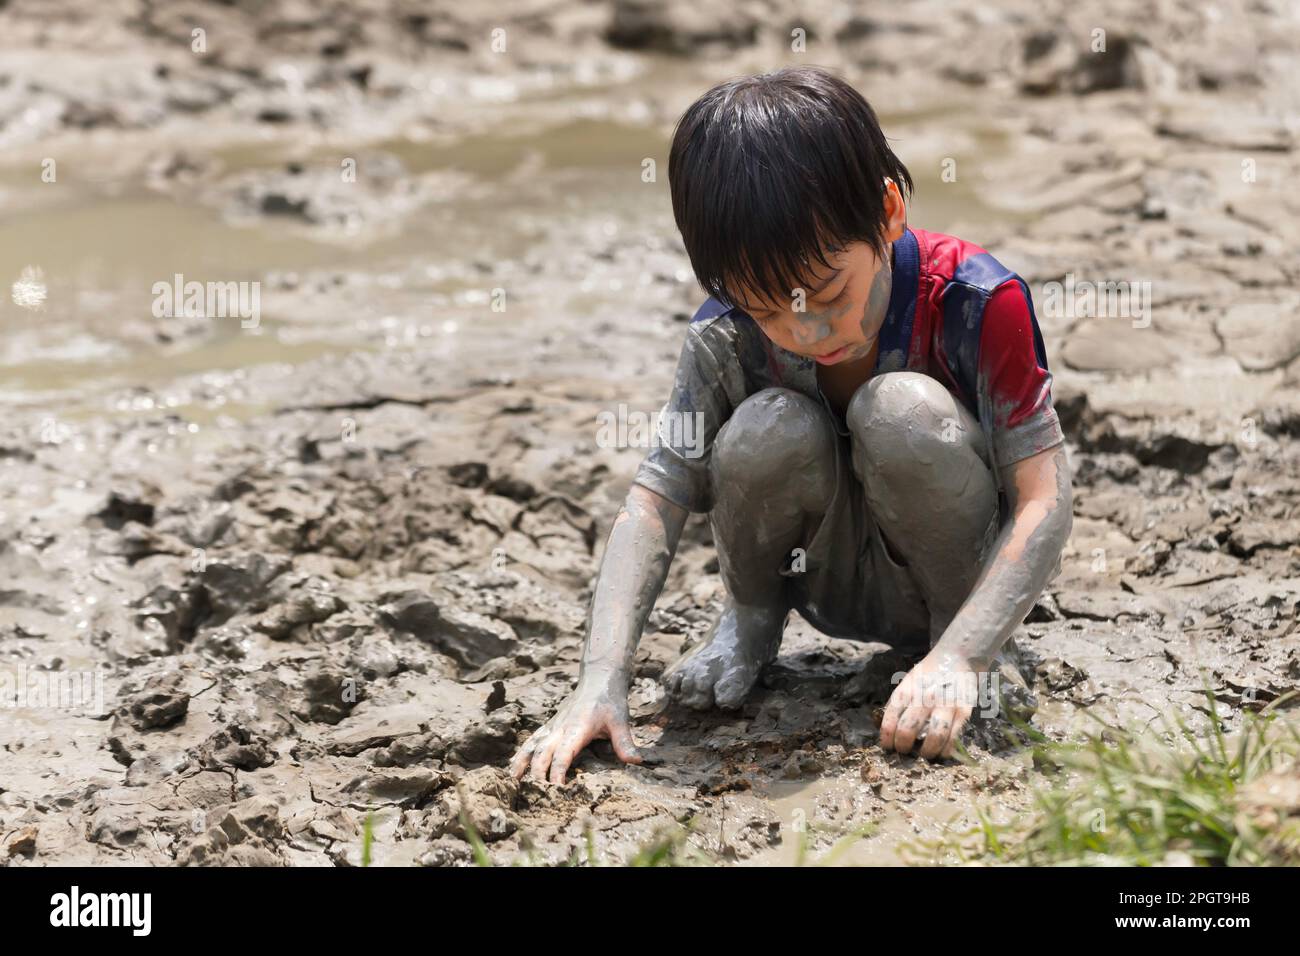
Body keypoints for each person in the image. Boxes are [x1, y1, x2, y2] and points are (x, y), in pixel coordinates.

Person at [510, 65, 1073, 784]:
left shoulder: (974, 299)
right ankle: (749, 626)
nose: (806, 332)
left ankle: (945, 645)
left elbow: (1046, 493)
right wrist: (599, 680)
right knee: (765, 424)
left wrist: (964, 654)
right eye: (768, 309)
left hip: (953, 576)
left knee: (899, 409)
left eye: (829, 294)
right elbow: (655, 499)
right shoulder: (724, 334)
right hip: (822, 576)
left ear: (889, 211)